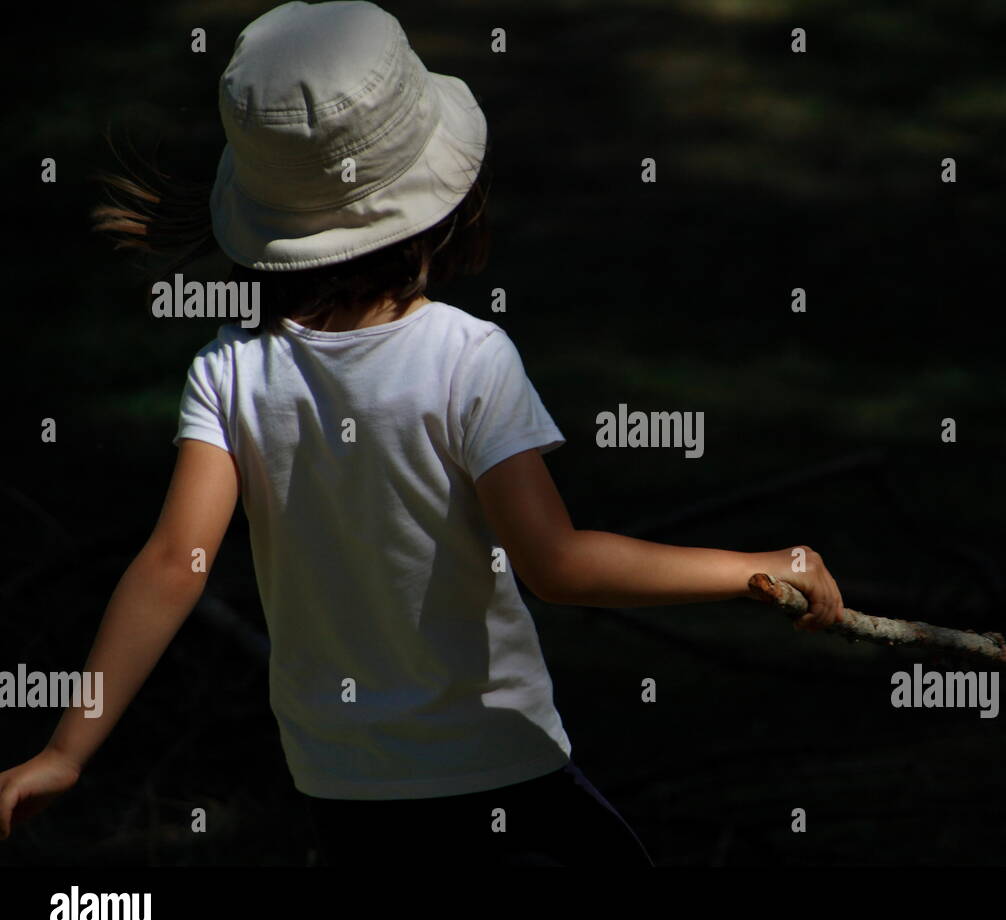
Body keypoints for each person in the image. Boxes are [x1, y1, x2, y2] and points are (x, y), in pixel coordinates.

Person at [0, 0, 844, 865]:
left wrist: (67, 751)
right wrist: (760, 570)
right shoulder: (469, 359)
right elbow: (556, 564)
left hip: (345, 795)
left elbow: (171, 566)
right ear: (442, 194)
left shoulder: (229, 370)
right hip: (503, 780)